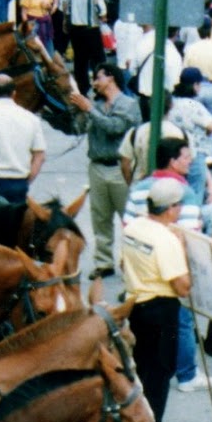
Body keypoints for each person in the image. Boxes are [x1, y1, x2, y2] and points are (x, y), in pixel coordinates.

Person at [120, 176, 191, 422]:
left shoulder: (134, 227)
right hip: (162, 309)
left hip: (137, 305)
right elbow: (182, 286)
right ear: (171, 208)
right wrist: (182, 249)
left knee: (142, 369)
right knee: (161, 372)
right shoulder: (167, 240)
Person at [68, 62, 141, 275]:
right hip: (97, 166)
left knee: (128, 218)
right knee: (100, 217)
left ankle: (130, 262)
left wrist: (90, 110)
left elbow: (115, 128)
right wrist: (80, 112)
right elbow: (80, 129)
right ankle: (103, 262)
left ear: (111, 78)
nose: (95, 83)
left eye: (98, 78)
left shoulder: (128, 105)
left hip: (121, 168)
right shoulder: (96, 105)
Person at [0, 72, 46, 213]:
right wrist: (27, 181)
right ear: (14, 94)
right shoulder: (31, 118)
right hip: (20, 183)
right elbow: (39, 156)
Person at [60, 0, 106, 94]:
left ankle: (83, 88)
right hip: (90, 29)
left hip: (76, 30)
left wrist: (66, 21)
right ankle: (99, 86)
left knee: (80, 60)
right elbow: (102, 12)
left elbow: (66, 6)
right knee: (98, 60)